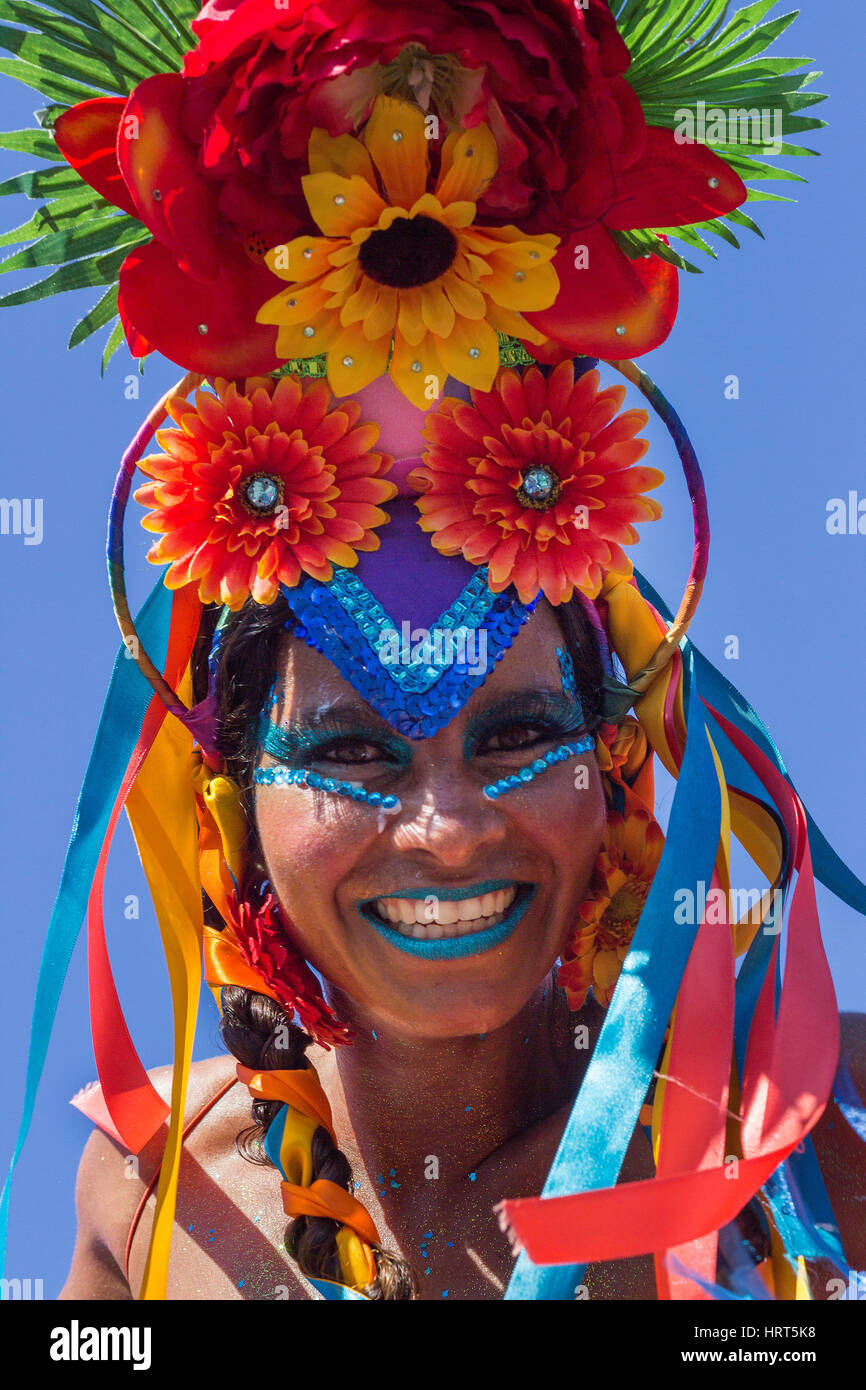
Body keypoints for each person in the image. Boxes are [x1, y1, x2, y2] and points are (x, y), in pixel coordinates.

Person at [3, 0, 865, 1305]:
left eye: (517, 735)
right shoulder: (151, 1191)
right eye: (350, 751)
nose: (448, 829)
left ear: (615, 747)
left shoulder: (808, 1132)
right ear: (233, 798)